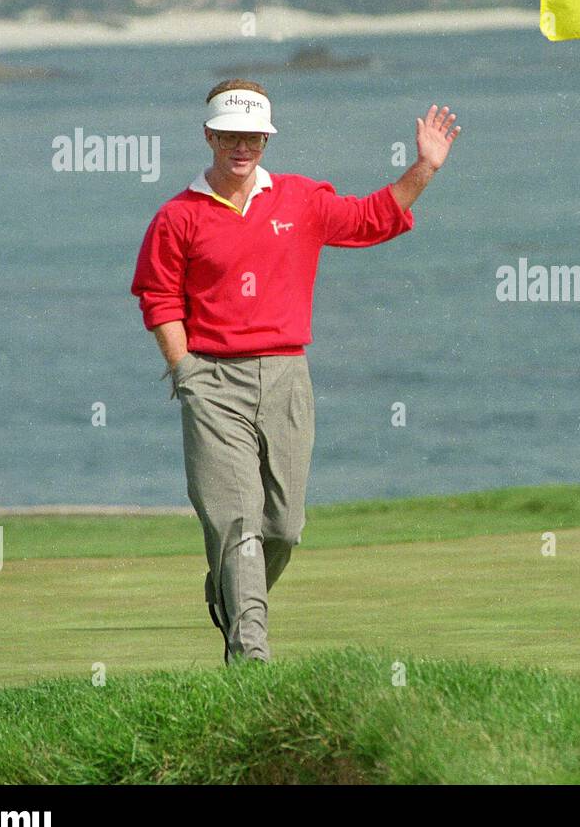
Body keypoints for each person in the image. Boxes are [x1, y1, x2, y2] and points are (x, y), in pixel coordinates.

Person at [130, 79, 460, 663]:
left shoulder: (300, 199)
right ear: (208, 135)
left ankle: (228, 594)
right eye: (230, 135)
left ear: (266, 138)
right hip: (212, 380)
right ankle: (250, 657)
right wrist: (185, 371)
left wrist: (424, 168)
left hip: (286, 376)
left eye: (254, 136)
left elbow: (370, 218)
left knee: (282, 526)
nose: (242, 146)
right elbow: (159, 298)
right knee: (236, 522)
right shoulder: (177, 216)